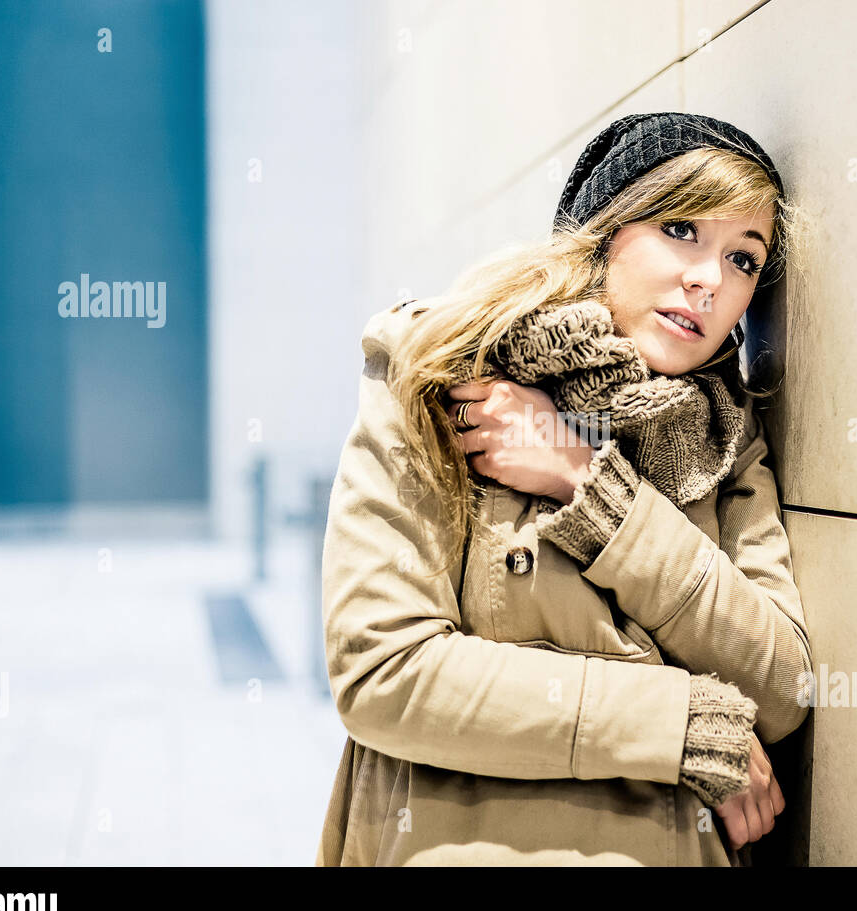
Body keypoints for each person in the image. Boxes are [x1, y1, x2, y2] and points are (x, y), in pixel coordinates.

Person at [314, 112, 813, 866]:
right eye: (680, 228)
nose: (710, 279)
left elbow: (779, 688)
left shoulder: (725, 441)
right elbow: (384, 674)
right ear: (604, 229)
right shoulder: (442, 371)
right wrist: (679, 723)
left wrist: (592, 483)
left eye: (744, 259)